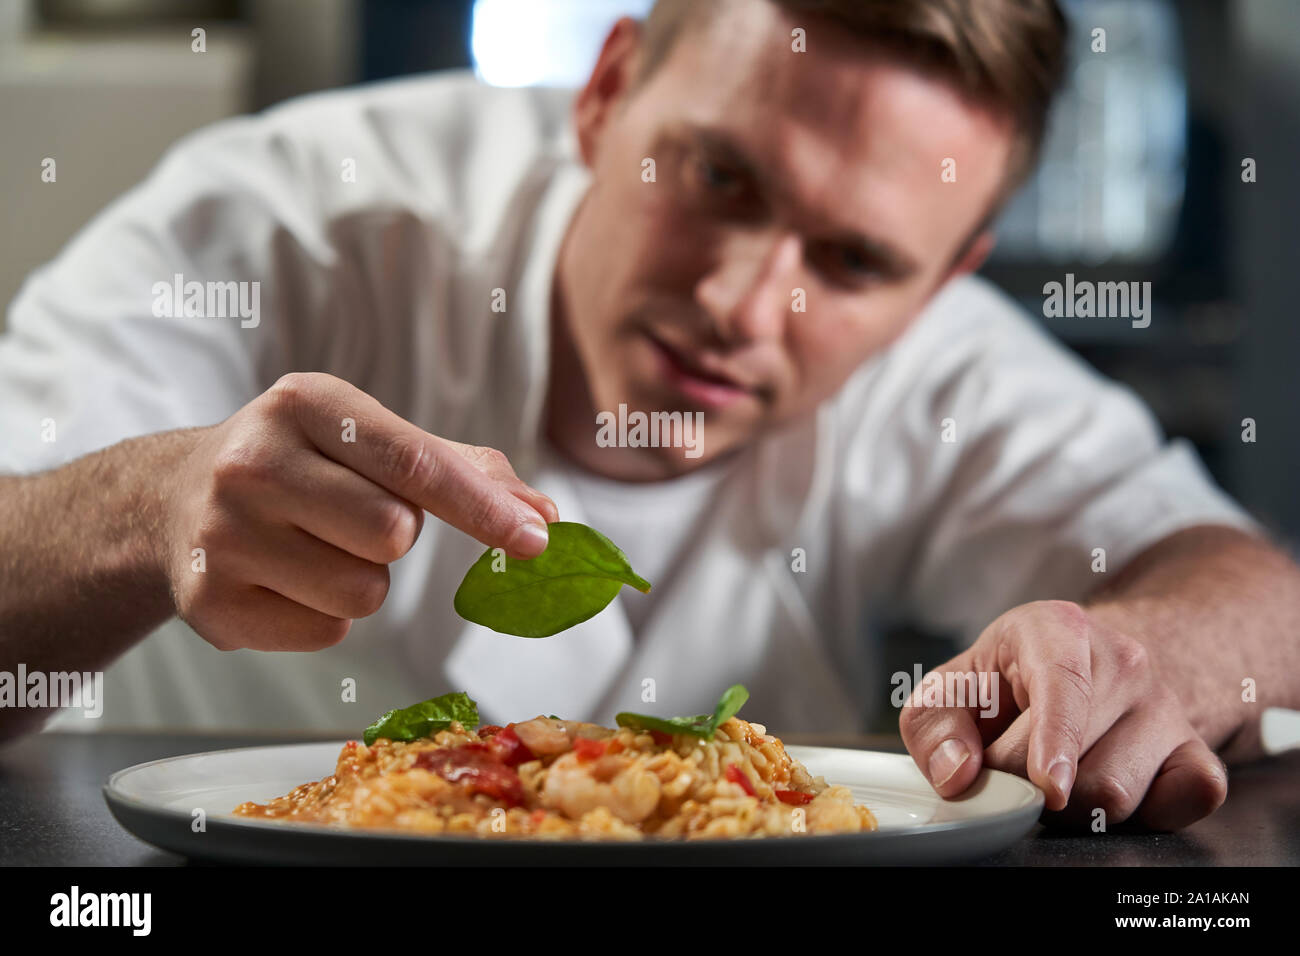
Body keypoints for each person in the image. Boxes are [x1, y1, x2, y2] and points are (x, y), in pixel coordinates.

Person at [1, 0, 1296, 832]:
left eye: (851, 264)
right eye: (721, 176)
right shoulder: (280, 220)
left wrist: (1140, 653)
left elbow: (1255, 594)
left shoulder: (945, 369)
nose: (743, 303)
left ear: (945, 277)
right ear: (607, 89)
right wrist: (152, 504)